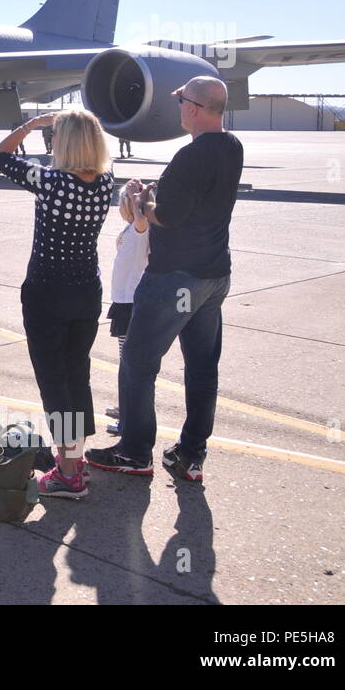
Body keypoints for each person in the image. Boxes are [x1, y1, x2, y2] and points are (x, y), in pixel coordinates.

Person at [87, 76, 243, 483]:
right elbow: (196, 201)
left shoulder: (190, 156)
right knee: (202, 368)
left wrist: (142, 201)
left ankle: (135, 451)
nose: (178, 109)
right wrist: (163, 194)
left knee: (138, 361)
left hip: (175, 278)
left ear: (192, 107)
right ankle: (191, 456)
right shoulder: (232, 147)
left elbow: (166, 216)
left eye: (180, 102)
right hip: (214, 276)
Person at [0, 109, 114, 499]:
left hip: (48, 291)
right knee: (76, 372)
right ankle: (74, 459)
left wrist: (28, 125)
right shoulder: (105, 183)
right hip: (86, 290)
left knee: (53, 380)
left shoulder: (51, 181)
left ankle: (68, 472)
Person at [104, 181, 151, 436]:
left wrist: (136, 202)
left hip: (131, 302)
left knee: (129, 364)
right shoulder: (131, 228)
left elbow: (141, 223)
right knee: (126, 361)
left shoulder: (140, 228)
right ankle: (125, 407)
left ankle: (129, 419)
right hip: (123, 301)